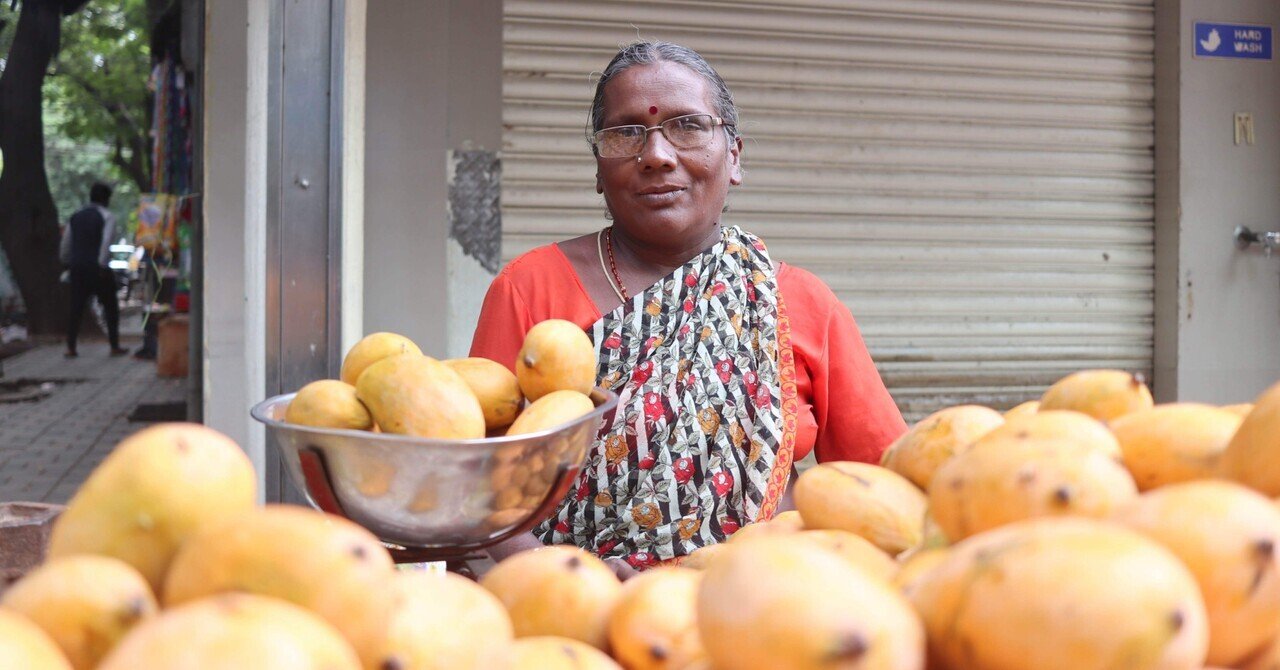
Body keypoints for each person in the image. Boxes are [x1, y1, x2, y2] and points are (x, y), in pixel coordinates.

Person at [470, 42, 906, 579]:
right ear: (599, 170)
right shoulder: (529, 287)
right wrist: (565, 581)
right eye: (626, 133)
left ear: (735, 156)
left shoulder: (803, 302)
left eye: (688, 126)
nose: (656, 154)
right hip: (572, 616)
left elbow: (883, 488)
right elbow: (480, 482)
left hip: (762, 605)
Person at [60, 181, 127, 358]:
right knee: (110, 307)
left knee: (76, 308)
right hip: (98, 269)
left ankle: (71, 346)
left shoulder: (76, 216)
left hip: (77, 267)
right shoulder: (107, 217)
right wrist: (102, 265)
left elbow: (66, 243)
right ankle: (114, 345)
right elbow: (106, 243)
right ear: (107, 199)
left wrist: (68, 262)